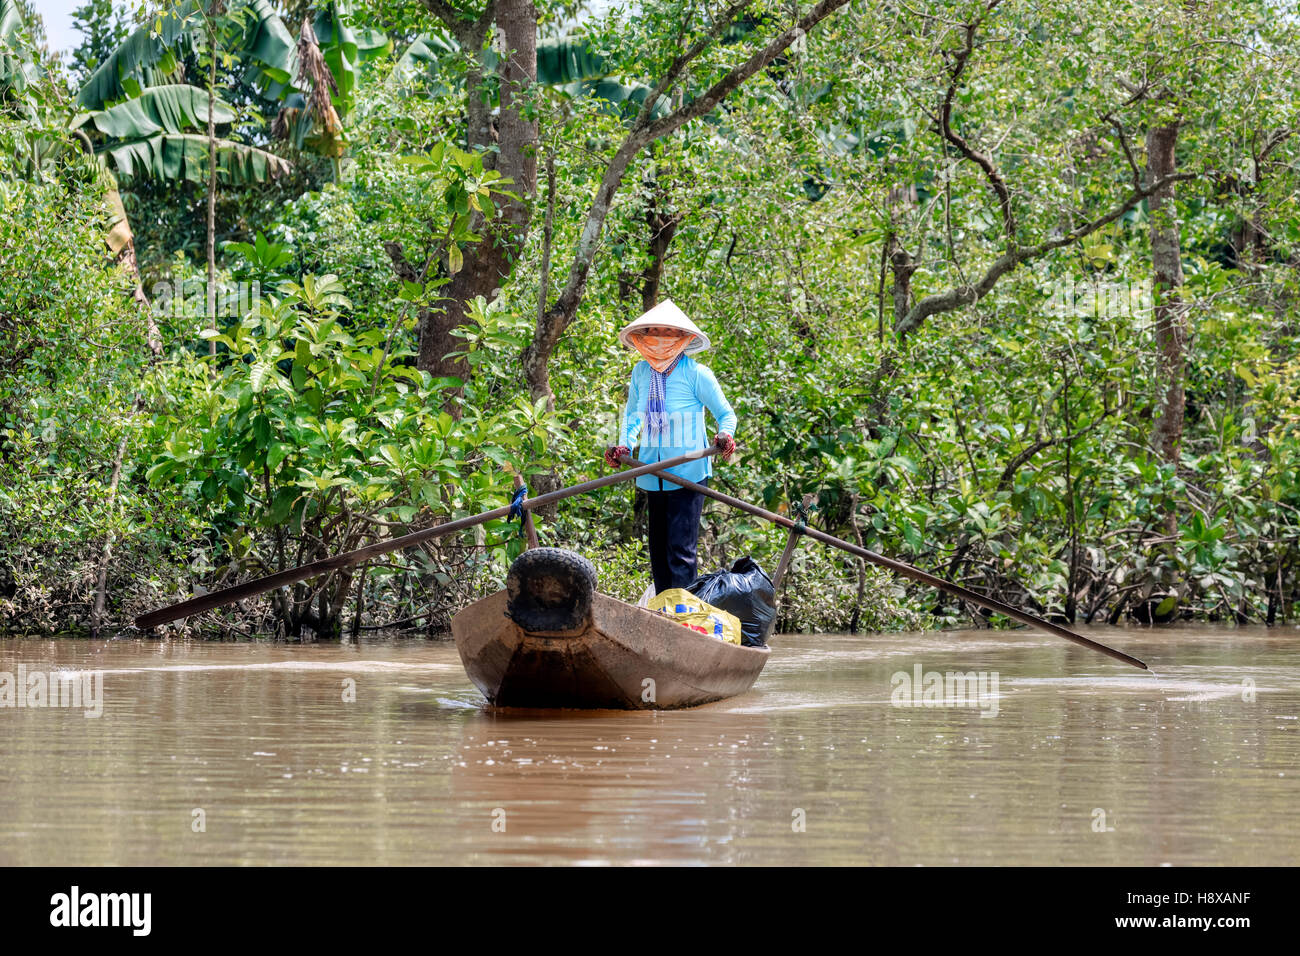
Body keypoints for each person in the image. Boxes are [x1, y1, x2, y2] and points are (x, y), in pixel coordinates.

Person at [604, 299, 737, 595]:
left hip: (687, 473)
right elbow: (634, 416)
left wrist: (725, 435)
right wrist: (624, 445)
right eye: (653, 331)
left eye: (667, 332)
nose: (659, 338)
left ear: (681, 338)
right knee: (659, 553)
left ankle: (683, 614)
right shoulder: (641, 372)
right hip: (653, 472)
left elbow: (726, 415)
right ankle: (665, 612)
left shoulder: (696, 374)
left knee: (681, 551)